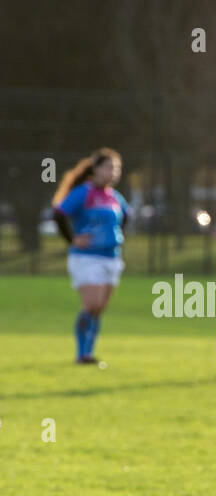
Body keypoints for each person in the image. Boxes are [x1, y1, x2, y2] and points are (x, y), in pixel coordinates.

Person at [51, 148, 130, 367]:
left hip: (112, 258)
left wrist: (118, 236)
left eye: (116, 168)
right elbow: (58, 214)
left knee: (99, 308)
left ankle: (89, 352)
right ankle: (81, 353)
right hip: (86, 257)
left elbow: (126, 216)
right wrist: (72, 239)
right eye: (108, 167)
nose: (113, 172)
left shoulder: (114, 196)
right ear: (95, 169)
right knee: (91, 303)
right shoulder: (84, 193)